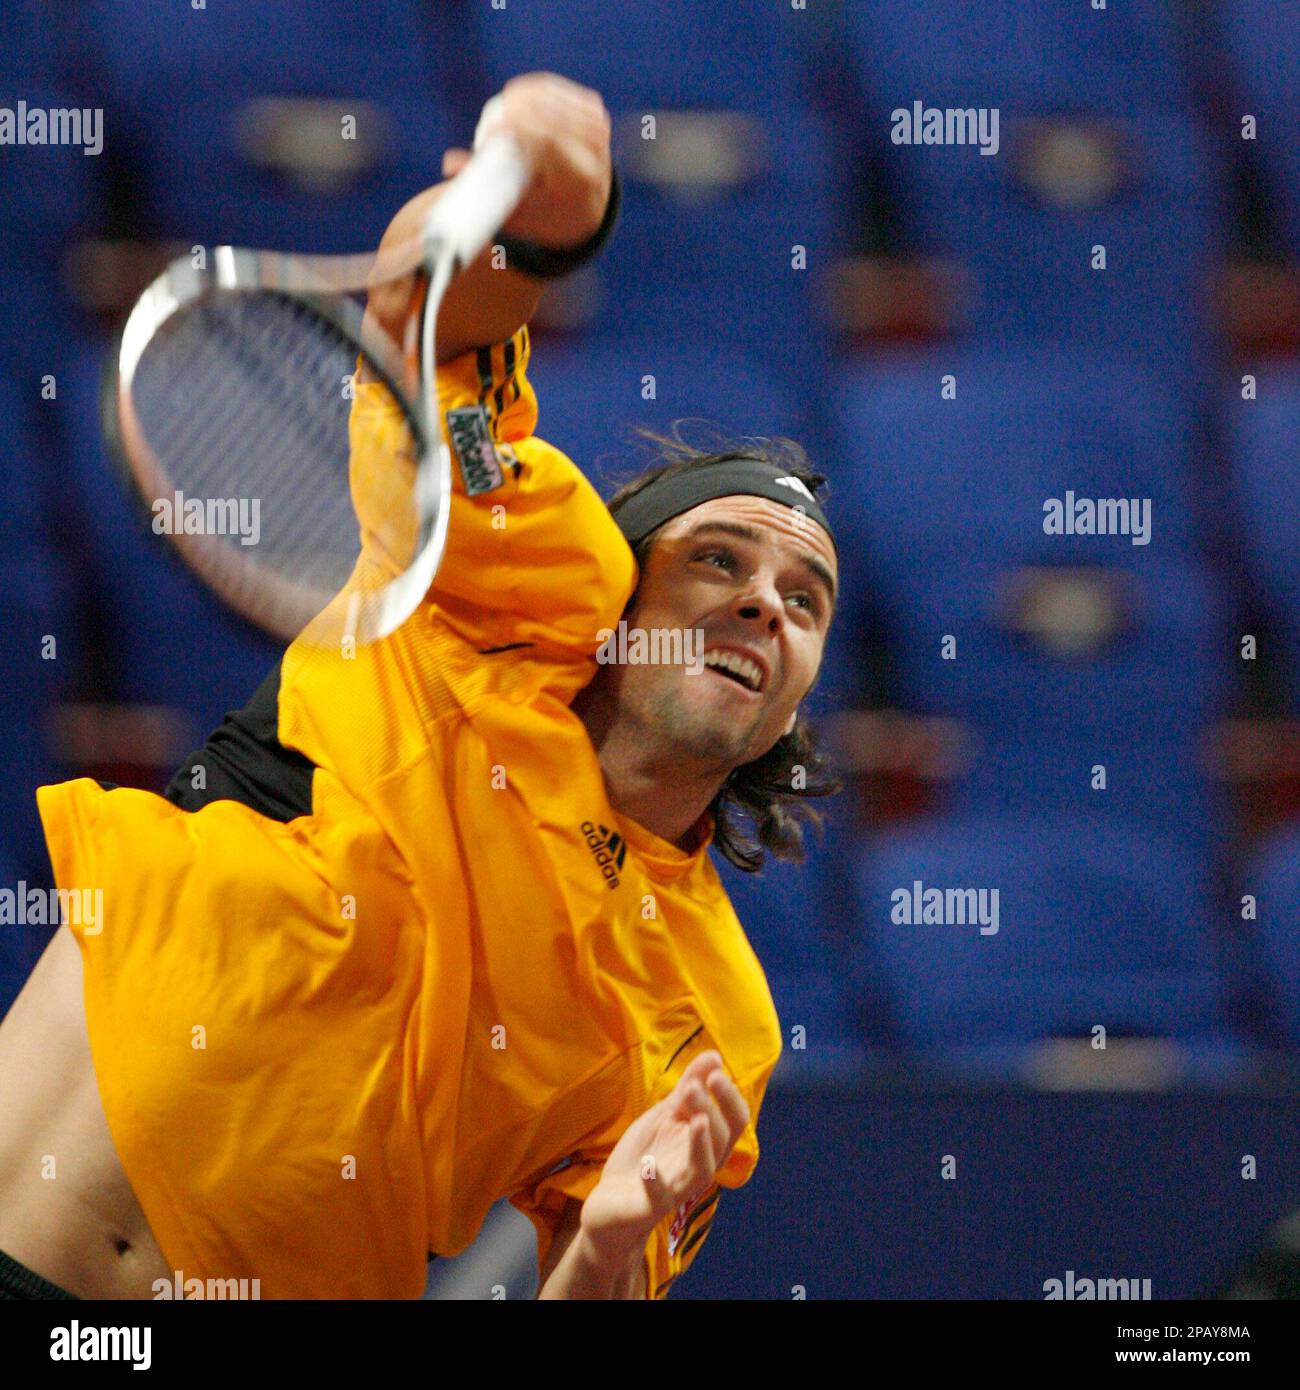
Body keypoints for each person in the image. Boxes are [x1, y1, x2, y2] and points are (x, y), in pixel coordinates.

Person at [0, 71, 840, 1301]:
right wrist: (549, 209)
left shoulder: (713, 1015)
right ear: (613, 607)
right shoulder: (489, 608)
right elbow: (426, 314)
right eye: (717, 560)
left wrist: (606, 1244)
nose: (765, 602)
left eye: (805, 600)